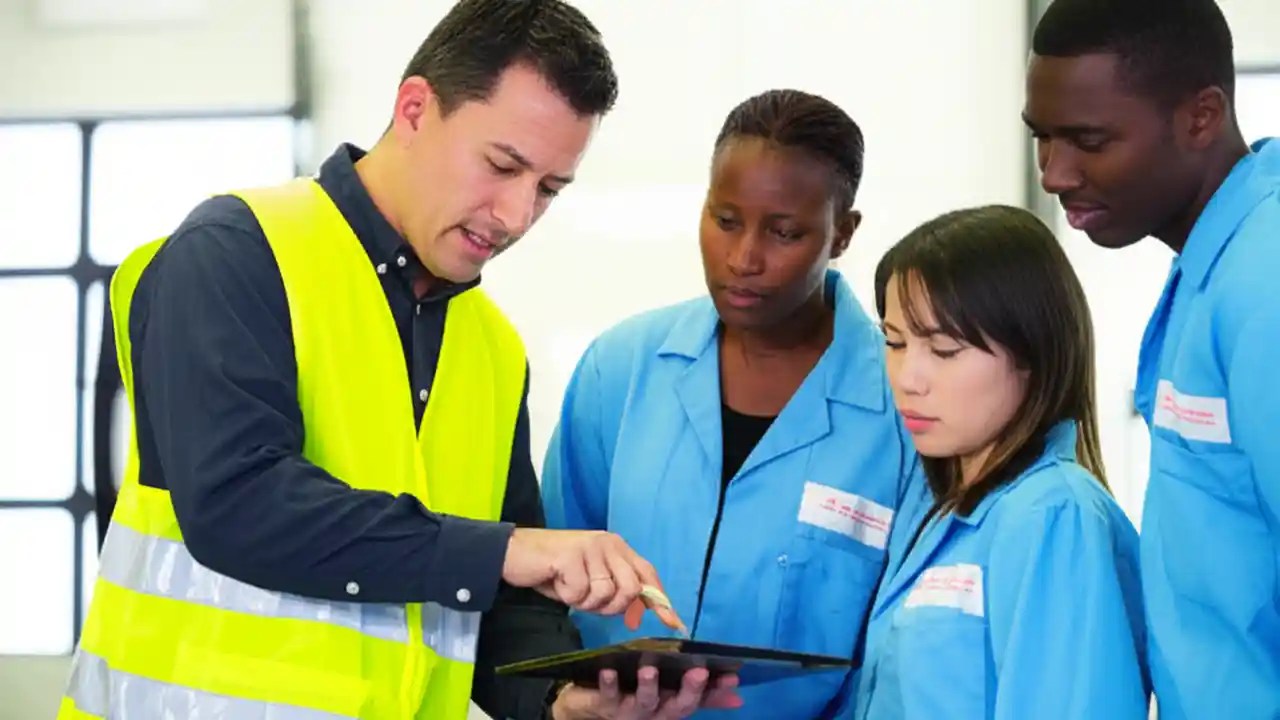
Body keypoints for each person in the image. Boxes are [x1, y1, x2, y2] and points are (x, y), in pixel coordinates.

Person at [59, 1, 738, 719]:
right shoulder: (237, 252)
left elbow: (493, 598)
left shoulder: (493, 347)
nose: (515, 215)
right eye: (502, 165)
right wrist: (508, 551)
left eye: (547, 189)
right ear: (414, 109)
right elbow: (237, 504)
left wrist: (557, 701)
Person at [541, 89, 925, 719]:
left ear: (843, 233)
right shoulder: (621, 370)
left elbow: (905, 647)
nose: (744, 258)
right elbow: (547, 583)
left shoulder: (905, 405)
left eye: (784, 232)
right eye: (724, 220)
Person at [1024, 1, 1280, 717]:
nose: (1054, 173)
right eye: (1042, 138)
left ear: (1201, 116)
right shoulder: (1213, 264)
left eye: (1089, 140)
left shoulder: (1265, 279)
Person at [854, 205, 1149, 719]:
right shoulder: (943, 508)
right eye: (895, 342)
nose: (907, 378)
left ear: (1033, 354)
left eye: (943, 349)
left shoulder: (1055, 515)